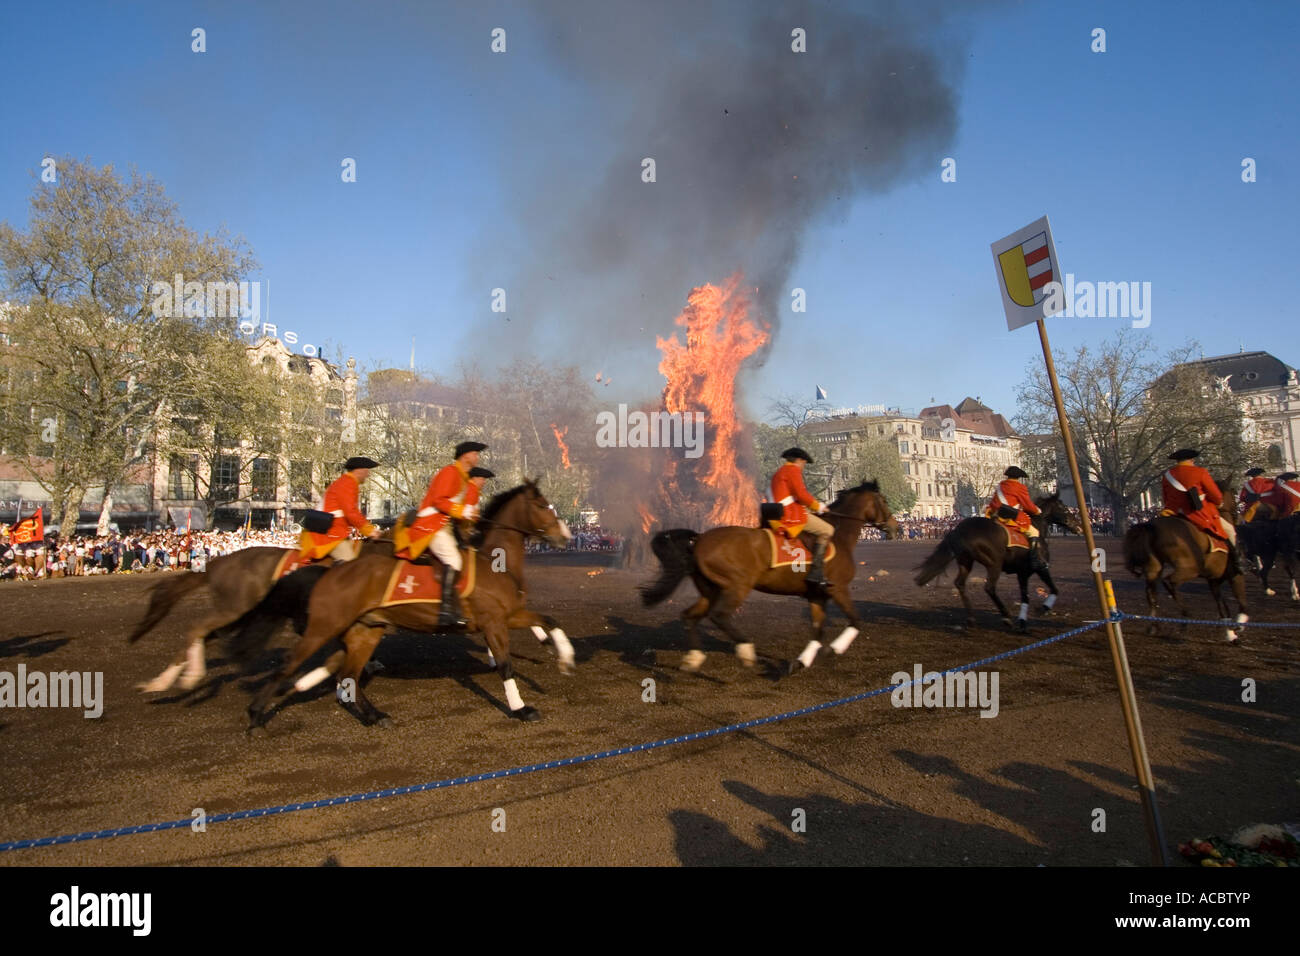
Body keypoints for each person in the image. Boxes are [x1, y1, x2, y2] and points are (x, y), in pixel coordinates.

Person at [397, 441, 487, 628]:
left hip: (442, 526)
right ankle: (446, 611)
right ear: (465, 456)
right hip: (430, 526)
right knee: (454, 560)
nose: (477, 457)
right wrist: (462, 511)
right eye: (475, 454)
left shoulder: (462, 477)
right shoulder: (450, 472)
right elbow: (439, 500)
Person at [1160, 449, 1242, 576]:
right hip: (1199, 514)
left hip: (1175, 514)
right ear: (1191, 460)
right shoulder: (1200, 472)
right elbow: (1215, 495)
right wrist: (1219, 503)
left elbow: (1165, 498)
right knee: (1230, 530)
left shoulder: (1168, 475)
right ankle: (1237, 562)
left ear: (1177, 461)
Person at [770, 447, 833, 587]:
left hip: (778, 513)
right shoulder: (793, 470)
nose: (803, 466)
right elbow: (802, 495)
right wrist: (820, 507)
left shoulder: (779, 472)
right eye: (804, 463)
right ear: (799, 460)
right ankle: (816, 573)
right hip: (790, 515)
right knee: (827, 530)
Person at [300, 456, 382, 560]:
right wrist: (371, 531)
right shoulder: (348, 483)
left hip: (334, 533)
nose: (368, 474)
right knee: (350, 567)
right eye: (367, 471)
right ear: (360, 471)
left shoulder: (345, 482)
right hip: (330, 535)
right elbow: (351, 512)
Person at [985, 466, 1048, 571]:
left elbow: (993, 502)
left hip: (996, 515)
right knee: (1034, 532)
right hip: (1010, 516)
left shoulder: (1000, 486)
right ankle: (1034, 560)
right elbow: (1027, 505)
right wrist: (1037, 511)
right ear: (1018, 477)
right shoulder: (1019, 487)